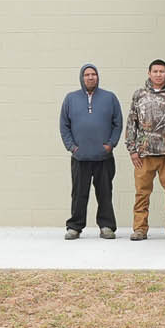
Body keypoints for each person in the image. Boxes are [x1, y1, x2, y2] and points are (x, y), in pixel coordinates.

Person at [125, 59, 165, 241]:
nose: (158, 75)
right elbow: (131, 123)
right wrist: (132, 150)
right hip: (144, 154)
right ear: (149, 73)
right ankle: (140, 228)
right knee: (141, 194)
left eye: (162, 71)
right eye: (155, 71)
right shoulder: (139, 95)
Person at [59, 63, 122, 240]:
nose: (90, 77)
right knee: (79, 193)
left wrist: (110, 144)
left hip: (104, 157)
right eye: (87, 74)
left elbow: (118, 123)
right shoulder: (71, 99)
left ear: (97, 77)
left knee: (105, 193)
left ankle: (107, 226)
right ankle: (75, 227)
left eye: (93, 74)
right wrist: (72, 147)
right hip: (80, 157)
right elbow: (64, 126)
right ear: (82, 77)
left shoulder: (109, 98)